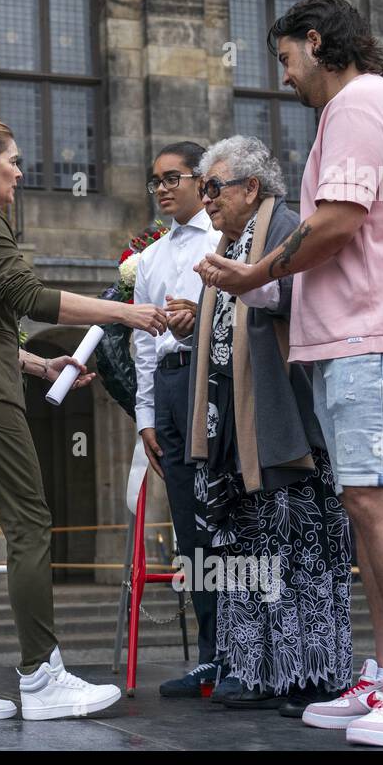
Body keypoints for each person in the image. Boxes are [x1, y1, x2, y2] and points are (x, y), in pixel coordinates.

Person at [196, 0, 383, 746]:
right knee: (363, 508)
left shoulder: (358, 102)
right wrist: (256, 285)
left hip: (372, 335)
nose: (283, 76)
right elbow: (332, 243)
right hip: (353, 336)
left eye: (284, 58)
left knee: (380, 504)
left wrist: (252, 279)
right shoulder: (356, 109)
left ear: (316, 43)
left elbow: (338, 224)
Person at [0, 115, 166, 722]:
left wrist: (35, 364)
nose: (20, 173)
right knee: (28, 525)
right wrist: (125, 312)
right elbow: (33, 298)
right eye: (13, 161)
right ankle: (41, 678)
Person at [183, 136, 353, 713]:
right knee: (245, 554)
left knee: (297, 552)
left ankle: (309, 674)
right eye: (202, 189)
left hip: (285, 425)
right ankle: (255, 671)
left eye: (214, 188)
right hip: (235, 427)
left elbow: (313, 300)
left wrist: (253, 283)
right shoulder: (231, 242)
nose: (205, 200)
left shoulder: (285, 230)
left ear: (250, 187)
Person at [133, 141, 224, 697]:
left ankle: (248, 651)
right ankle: (211, 654)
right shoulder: (150, 257)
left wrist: (203, 317)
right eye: (156, 180)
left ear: (201, 180)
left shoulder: (226, 238)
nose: (163, 188)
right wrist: (146, 415)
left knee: (230, 518)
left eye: (174, 177)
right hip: (170, 386)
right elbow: (145, 343)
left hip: (215, 382)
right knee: (190, 527)